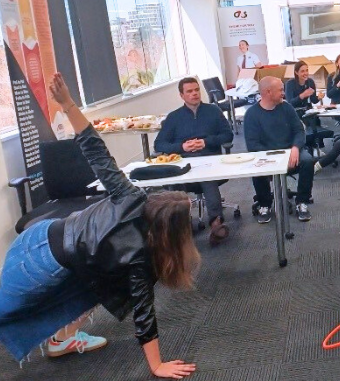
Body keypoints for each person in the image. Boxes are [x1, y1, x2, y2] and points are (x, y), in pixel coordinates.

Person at [0, 73, 198, 378]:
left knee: (103, 287)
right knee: (6, 313)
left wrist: (67, 103)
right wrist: (156, 366)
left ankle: (61, 340)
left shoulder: (132, 195)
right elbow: (144, 314)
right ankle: (59, 337)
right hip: (41, 263)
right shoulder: (141, 260)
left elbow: (96, 150)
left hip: (41, 233)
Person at [154, 77, 234, 245]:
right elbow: (159, 144)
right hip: (184, 161)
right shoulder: (174, 117)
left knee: (206, 175)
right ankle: (181, 224)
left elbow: (228, 135)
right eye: (189, 91)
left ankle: (215, 222)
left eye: (196, 90)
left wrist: (206, 142)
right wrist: (182, 147)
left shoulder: (213, 111)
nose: (194, 94)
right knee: (175, 181)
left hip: (209, 158)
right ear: (181, 95)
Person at [245, 76, 315, 223]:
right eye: (280, 90)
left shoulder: (286, 108)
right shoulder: (252, 114)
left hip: (290, 151)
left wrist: (295, 148)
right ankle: (264, 204)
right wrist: (277, 157)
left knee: (308, 160)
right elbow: (252, 144)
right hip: (267, 154)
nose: (284, 93)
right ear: (268, 92)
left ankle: (302, 201)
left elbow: (299, 131)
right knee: (256, 165)